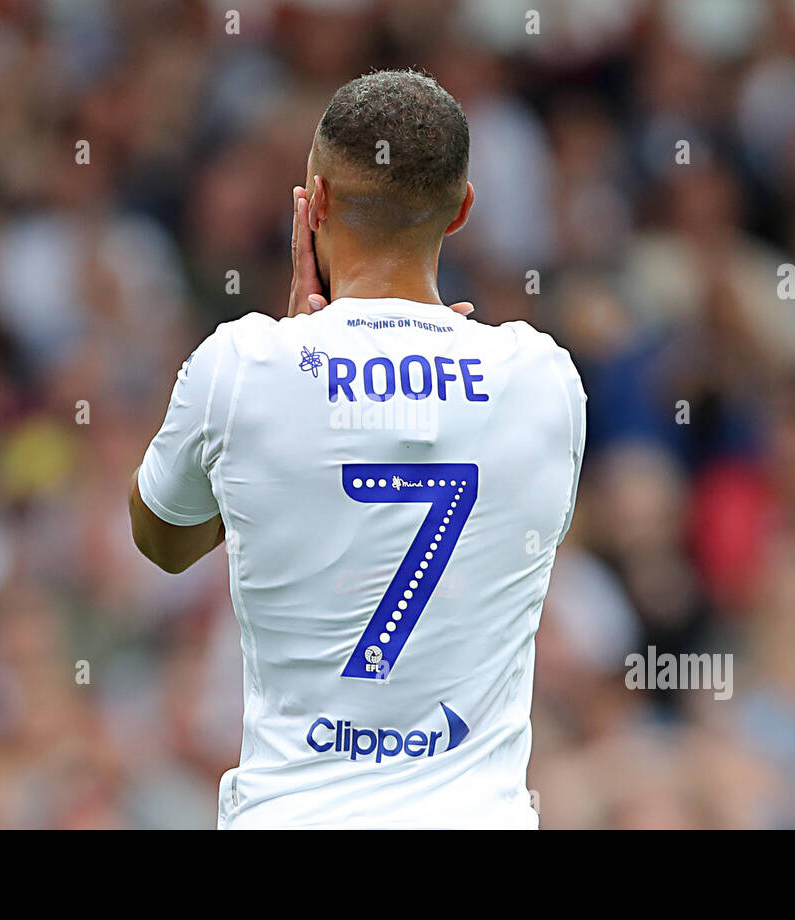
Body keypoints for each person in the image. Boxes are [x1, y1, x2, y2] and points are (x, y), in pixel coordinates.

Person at [128, 70, 585, 829]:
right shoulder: (544, 382)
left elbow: (162, 543)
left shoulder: (243, 368)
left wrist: (280, 365)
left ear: (317, 201)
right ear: (462, 209)